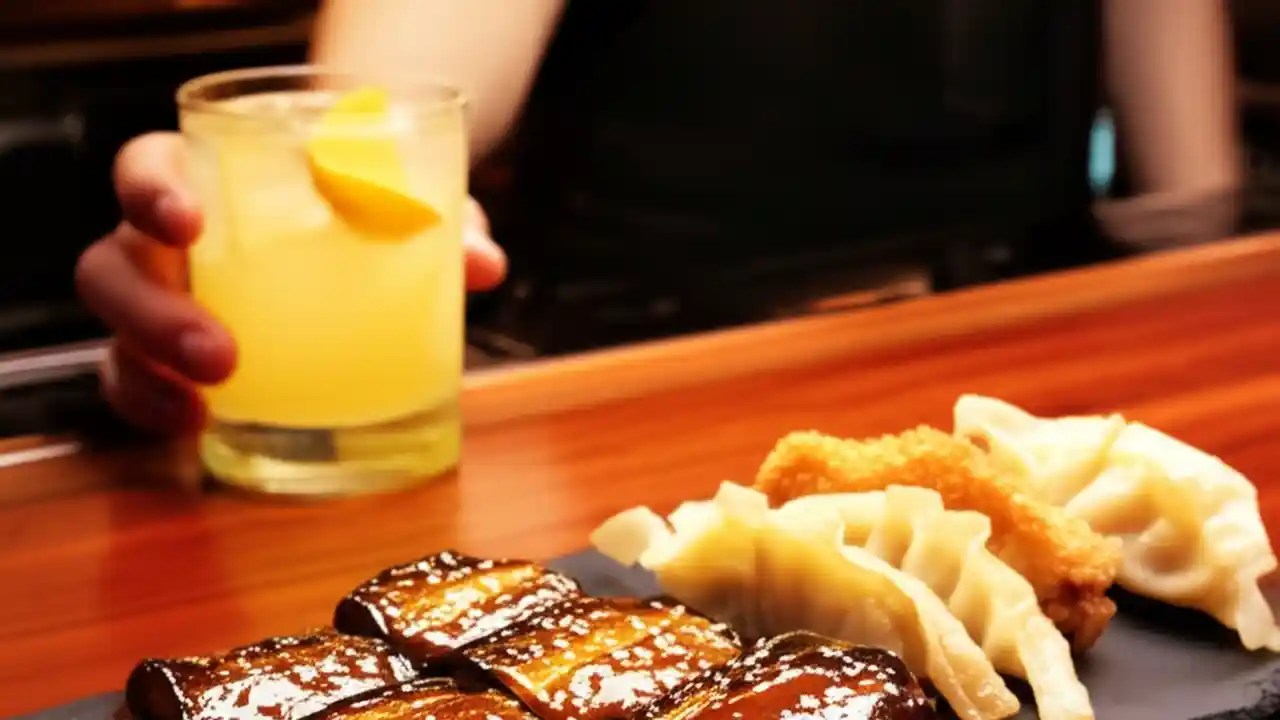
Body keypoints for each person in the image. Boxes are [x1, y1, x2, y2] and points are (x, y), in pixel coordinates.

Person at [76, 0, 1241, 435]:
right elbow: (357, 131)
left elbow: (1192, 211)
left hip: (1019, 404)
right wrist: (216, 239)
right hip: (633, 411)